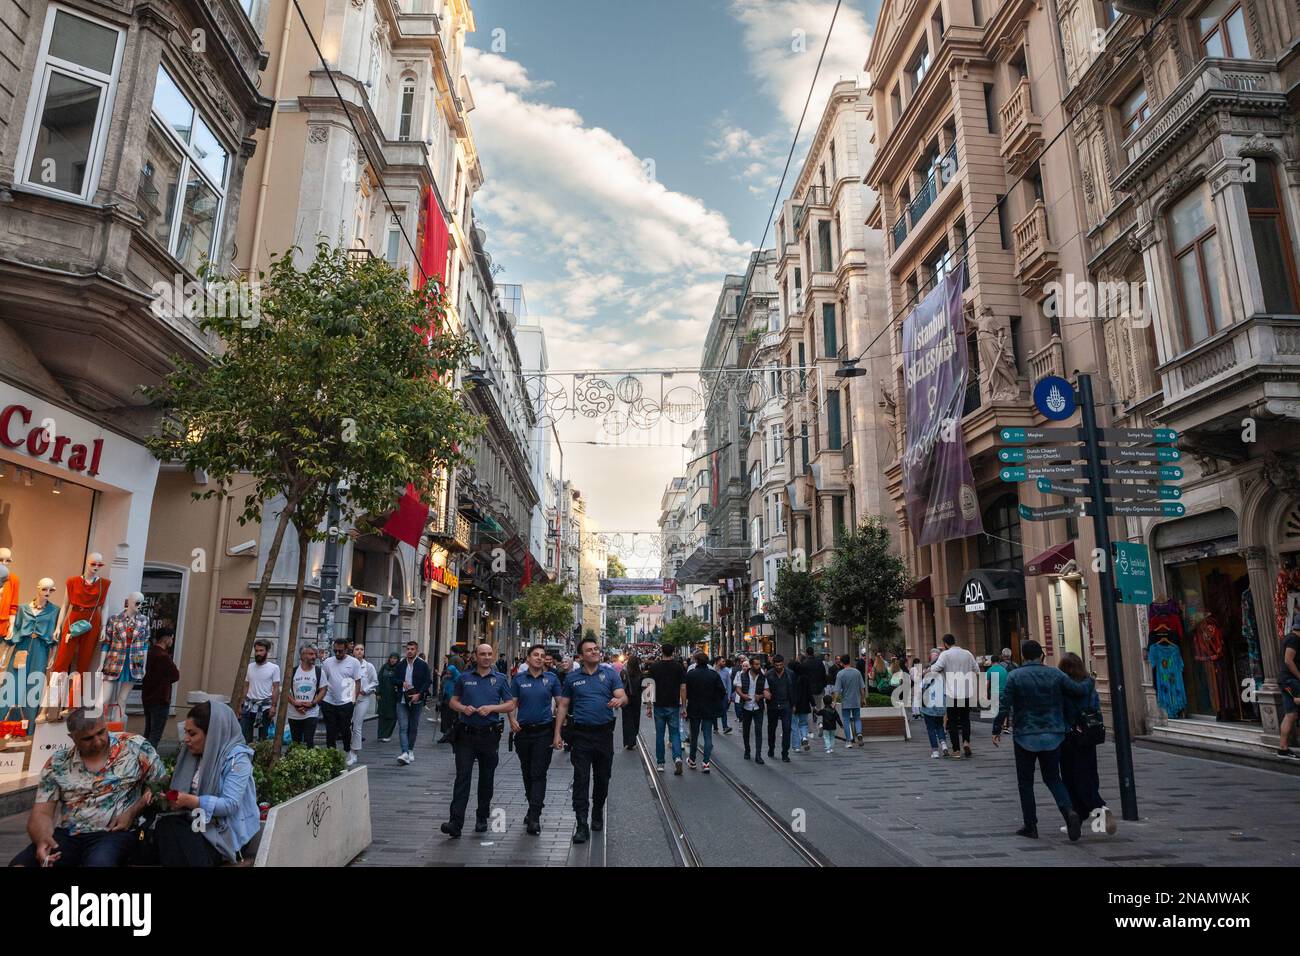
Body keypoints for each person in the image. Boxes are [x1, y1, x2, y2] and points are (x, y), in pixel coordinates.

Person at [11, 708, 165, 867]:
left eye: (101, 732)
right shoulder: (58, 762)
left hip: (113, 833)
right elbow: (41, 813)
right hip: (70, 833)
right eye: (88, 738)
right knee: (22, 864)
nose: (97, 741)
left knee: (98, 863)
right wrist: (42, 839)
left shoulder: (134, 746)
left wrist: (133, 811)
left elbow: (161, 783)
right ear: (72, 738)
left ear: (106, 725)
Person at [992, 639, 1092, 841]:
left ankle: (1031, 825)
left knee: (1025, 782)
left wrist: (997, 729)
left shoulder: (1015, 676)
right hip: (1053, 733)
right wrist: (1091, 679)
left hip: (1025, 735)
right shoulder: (1055, 673)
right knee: (1053, 777)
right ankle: (1068, 812)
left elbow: (1004, 705)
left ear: (1023, 656)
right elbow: (1078, 690)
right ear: (1041, 655)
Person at [155, 700, 260, 866]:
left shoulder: (237, 759)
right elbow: (182, 790)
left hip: (224, 832)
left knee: (175, 835)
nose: (187, 740)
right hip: (196, 823)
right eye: (186, 733)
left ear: (212, 734)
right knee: (166, 826)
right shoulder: (193, 754)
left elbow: (230, 804)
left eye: (193, 734)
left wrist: (191, 801)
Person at [554, 637, 626, 844]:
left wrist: (620, 700)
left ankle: (597, 812)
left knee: (603, 778)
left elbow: (622, 696)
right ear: (581, 656)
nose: (594, 652)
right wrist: (557, 733)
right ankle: (581, 824)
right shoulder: (572, 679)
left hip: (604, 735)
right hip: (582, 735)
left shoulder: (610, 674)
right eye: (589, 650)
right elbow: (563, 706)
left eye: (596, 649)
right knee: (581, 779)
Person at [441, 643, 513, 838]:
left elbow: (510, 704)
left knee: (486, 778)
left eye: (490, 654)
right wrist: (463, 708)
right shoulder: (464, 678)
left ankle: (482, 817)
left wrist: (491, 708)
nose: (486, 657)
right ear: (475, 656)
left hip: (489, 735)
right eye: (482, 654)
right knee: (462, 777)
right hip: (466, 734)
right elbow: (453, 701)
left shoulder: (499, 679)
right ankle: (455, 822)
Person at [1057, 652, 1115, 835]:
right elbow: (1095, 708)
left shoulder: (1063, 688)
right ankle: (1082, 818)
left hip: (1069, 737)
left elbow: (1060, 712)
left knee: (1071, 779)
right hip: (1089, 736)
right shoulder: (1090, 685)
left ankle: (1098, 808)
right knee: (1088, 773)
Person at [509, 644, 562, 835]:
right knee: (527, 772)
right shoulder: (518, 679)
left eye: (542, 655)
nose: (539, 658)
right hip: (523, 733)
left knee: (538, 772)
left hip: (543, 732)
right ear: (528, 658)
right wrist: (512, 719)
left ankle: (535, 816)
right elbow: (511, 703)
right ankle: (533, 806)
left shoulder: (552, 679)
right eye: (535, 655)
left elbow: (561, 705)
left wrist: (558, 732)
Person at [932, 633, 979, 757]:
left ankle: (956, 750)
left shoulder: (945, 654)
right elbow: (977, 670)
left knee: (952, 721)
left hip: (952, 693)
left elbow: (935, 668)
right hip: (966, 692)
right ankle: (966, 742)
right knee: (965, 719)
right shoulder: (967, 653)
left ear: (945, 644)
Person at [320, 638, 363, 764]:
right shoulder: (328, 662)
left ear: (346, 649)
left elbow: (357, 681)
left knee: (345, 728)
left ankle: (348, 751)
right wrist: (322, 697)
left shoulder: (354, 662)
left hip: (346, 700)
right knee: (330, 729)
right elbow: (324, 680)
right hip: (329, 700)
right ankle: (331, 753)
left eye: (340, 651)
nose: (338, 654)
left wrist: (353, 700)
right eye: (335, 651)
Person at [646, 643, 687, 774]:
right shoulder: (679, 667)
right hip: (674, 705)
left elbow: (649, 686)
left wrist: (648, 705)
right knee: (674, 733)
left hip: (659, 705)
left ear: (661, 652)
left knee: (660, 734)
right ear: (673, 652)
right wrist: (684, 706)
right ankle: (677, 758)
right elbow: (683, 688)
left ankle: (660, 763)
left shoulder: (654, 667)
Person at [685, 652, 726, 771]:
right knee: (708, 735)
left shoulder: (691, 674)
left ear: (696, 661)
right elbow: (722, 691)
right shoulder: (713, 674)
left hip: (694, 707)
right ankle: (706, 762)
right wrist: (714, 699)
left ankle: (692, 760)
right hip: (709, 708)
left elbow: (685, 691)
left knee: (694, 735)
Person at [393, 641, 433, 764]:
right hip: (402, 699)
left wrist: (419, 694)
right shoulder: (400, 665)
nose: (409, 651)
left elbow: (428, 681)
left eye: (412, 649)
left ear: (416, 650)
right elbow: (393, 679)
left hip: (417, 699)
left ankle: (410, 750)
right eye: (408, 649)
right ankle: (404, 752)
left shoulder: (422, 665)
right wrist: (401, 683)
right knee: (403, 726)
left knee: (413, 726)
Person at [141, 627, 179, 749]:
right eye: (171, 638)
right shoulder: (163, 656)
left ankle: (142, 758)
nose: (172, 641)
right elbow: (175, 675)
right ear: (166, 639)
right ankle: (149, 760)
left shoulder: (150, 653)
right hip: (160, 699)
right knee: (155, 735)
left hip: (147, 698)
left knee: (148, 732)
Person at [238, 639, 280, 744]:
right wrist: (240, 705)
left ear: (267, 652)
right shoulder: (249, 667)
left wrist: (274, 706)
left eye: (261, 650)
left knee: (263, 739)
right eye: (256, 651)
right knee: (245, 736)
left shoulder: (274, 668)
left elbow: (276, 688)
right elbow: (245, 686)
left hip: (265, 707)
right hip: (249, 706)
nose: (258, 653)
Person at [286, 645, 326, 747]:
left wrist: (312, 703)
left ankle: (308, 761)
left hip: (311, 712)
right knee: (296, 741)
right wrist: (295, 703)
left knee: (309, 740)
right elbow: (285, 691)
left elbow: (323, 690)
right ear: (303, 655)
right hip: (294, 712)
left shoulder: (319, 671)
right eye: (311, 654)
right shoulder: (292, 671)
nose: (314, 657)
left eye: (315, 654)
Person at [349, 643, 379, 765]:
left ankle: (354, 752)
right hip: (349, 699)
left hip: (363, 698)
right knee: (347, 724)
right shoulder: (349, 665)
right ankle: (348, 748)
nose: (359, 651)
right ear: (353, 652)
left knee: (357, 725)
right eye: (357, 649)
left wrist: (365, 689)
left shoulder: (369, 666)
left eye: (361, 649)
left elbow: (375, 681)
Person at [763, 654, 796, 762]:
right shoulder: (768, 675)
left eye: (781, 665)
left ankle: (785, 753)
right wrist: (765, 693)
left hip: (786, 705)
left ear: (783, 663)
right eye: (777, 665)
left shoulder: (790, 674)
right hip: (772, 705)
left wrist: (794, 705)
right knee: (771, 728)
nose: (779, 667)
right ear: (773, 664)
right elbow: (763, 688)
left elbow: (794, 690)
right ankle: (771, 748)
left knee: (787, 729)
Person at [735, 655, 766, 763]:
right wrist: (743, 696)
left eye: (759, 664)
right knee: (746, 730)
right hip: (746, 707)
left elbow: (766, 690)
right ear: (751, 665)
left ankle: (758, 755)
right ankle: (747, 750)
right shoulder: (742, 675)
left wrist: (761, 696)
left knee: (758, 731)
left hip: (758, 707)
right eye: (756, 664)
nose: (758, 666)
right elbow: (737, 688)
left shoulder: (762, 676)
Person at [920, 650, 949, 757]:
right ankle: (944, 744)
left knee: (931, 728)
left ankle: (935, 751)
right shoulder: (944, 674)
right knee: (940, 726)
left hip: (928, 705)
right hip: (941, 703)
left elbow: (921, 687)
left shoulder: (926, 673)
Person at [1278, 621, 1300, 759]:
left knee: (1291, 714)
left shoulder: (1289, 637)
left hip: (1286, 680)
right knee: (1296, 704)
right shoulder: (1294, 639)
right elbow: (1288, 660)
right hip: (1290, 680)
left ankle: (1283, 748)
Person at [834, 654, 865, 747]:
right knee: (857, 718)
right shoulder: (857, 672)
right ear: (850, 661)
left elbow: (837, 690)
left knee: (846, 720)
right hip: (856, 700)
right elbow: (862, 689)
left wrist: (835, 701)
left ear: (842, 663)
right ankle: (859, 733)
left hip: (846, 700)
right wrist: (863, 699)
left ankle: (848, 741)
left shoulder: (840, 674)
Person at [799, 650, 828, 748]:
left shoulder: (804, 664)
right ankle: (820, 723)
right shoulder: (819, 662)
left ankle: (811, 731)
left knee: (810, 709)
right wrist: (824, 685)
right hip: (819, 688)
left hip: (808, 689)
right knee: (818, 707)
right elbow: (824, 675)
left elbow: (802, 677)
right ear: (813, 653)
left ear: (807, 653)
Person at [437, 653, 461, 742]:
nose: (448, 675)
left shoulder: (459, 679)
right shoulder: (445, 678)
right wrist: (439, 700)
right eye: (447, 673)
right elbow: (441, 689)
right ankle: (446, 734)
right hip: (446, 701)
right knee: (445, 719)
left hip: (455, 702)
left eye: (450, 674)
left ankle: (452, 735)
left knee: (453, 719)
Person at [621, 655, 643, 750]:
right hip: (637, 698)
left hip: (626, 698)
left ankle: (628, 740)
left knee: (626, 719)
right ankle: (633, 737)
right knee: (635, 717)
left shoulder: (624, 672)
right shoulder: (640, 674)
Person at [376, 652, 400, 742]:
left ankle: (387, 734)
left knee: (392, 716)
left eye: (395, 658)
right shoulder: (384, 667)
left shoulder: (399, 669)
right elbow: (379, 679)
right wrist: (377, 693)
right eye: (391, 658)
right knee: (382, 715)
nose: (393, 660)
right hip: (383, 695)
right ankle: (380, 734)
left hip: (394, 696)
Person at [714, 657, 733, 735]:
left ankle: (725, 727)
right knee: (714, 711)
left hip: (724, 694)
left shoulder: (726, 671)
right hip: (714, 694)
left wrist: (729, 696)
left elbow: (729, 684)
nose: (724, 663)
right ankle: (715, 728)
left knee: (723, 710)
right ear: (718, 662)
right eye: (723, 661)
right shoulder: (712, 671)